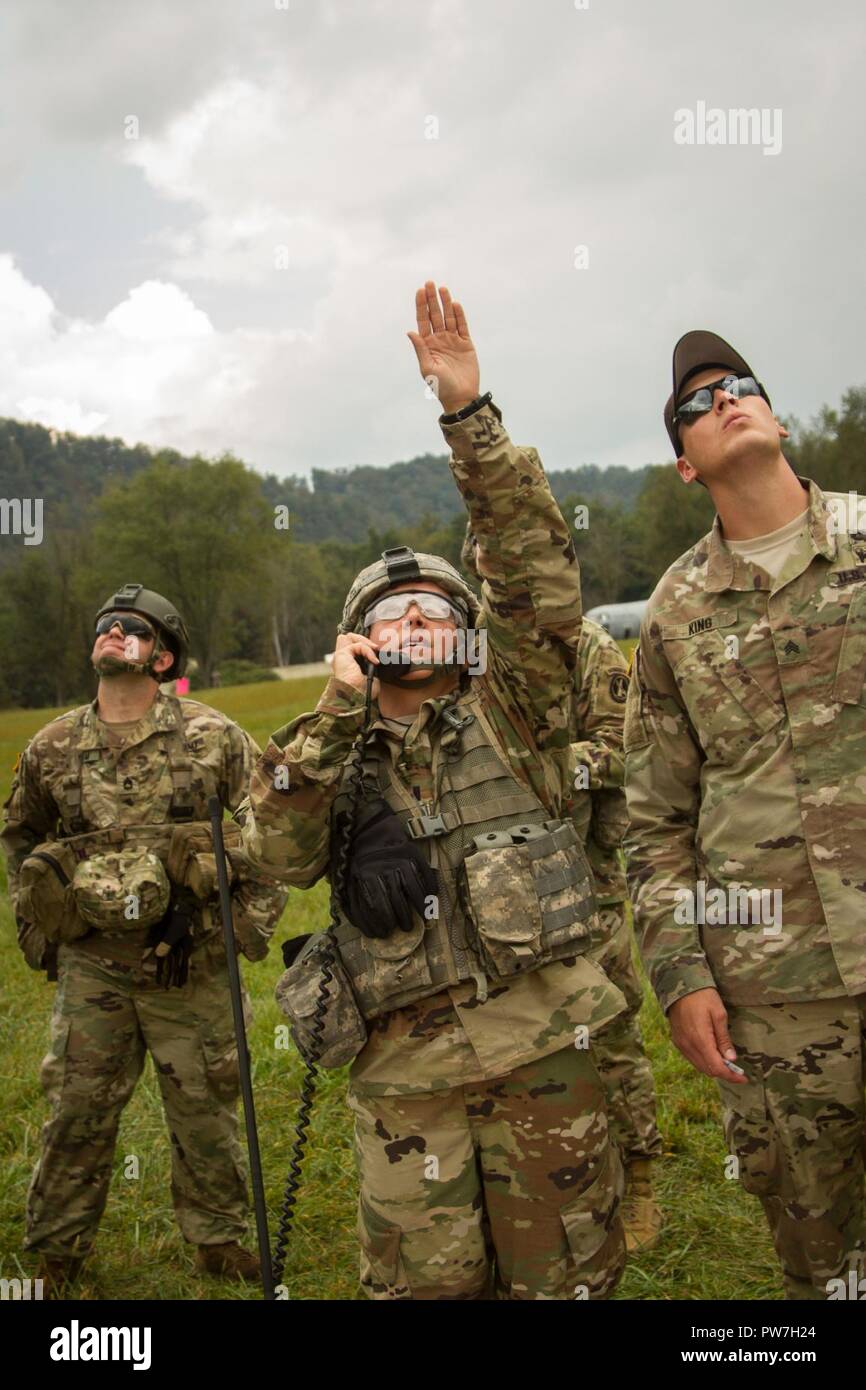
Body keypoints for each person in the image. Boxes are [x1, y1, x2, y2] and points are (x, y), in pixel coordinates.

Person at [242, 282, 627, 1300]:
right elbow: (271, 854)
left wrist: (468, 417)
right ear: (358, 640)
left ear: (468, 634)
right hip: (405, 1082)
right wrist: (335, 715)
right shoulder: (328, 747)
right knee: (424, 1286)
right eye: (390, 612)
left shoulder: (518, 713)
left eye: (434, 608)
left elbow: (534, 576)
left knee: (565, 1279)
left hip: (543, 1054)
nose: (413, 620)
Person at [623, 330, 866, 1300]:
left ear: (775, 417)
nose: (724, 399)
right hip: (775, 988)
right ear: (686, 464)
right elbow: (653, 822)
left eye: (740, 385)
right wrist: (681, 976)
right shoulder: (673, 612)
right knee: (818, 1249)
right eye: (696, 402)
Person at [1, 583, 288, 1293]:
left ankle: (219, 1240)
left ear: (162, 657)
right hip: (94, 965)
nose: (112, 631)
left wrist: (240, 928)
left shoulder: (213, 737)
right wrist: (40, 928)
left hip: (192, 964)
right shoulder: (52, 746)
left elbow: (271, 835)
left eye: (131, 627)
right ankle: (57, 1253)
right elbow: (20, 837)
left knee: (206, 1106)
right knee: (78, 1106)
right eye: (105, 624)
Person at [462, 525, 664, 1250]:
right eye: (490, 557)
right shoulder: (467, 651)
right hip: (494, 888)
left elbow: (626, 752)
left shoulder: (589, 647)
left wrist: (540, 769)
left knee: (608, 1030)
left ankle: (640, 1174)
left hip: (583, 878)